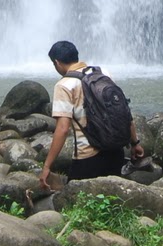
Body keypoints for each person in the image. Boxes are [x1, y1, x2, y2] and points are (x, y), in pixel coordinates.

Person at [38, 39, 144, 190]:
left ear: (57, 63)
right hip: (115, 152)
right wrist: (135, 143)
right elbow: (122, 110)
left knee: (74, 204)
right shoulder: (103, 74)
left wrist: (47, 166)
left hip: (87, 158)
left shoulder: (64, 85)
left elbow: (62, 129)